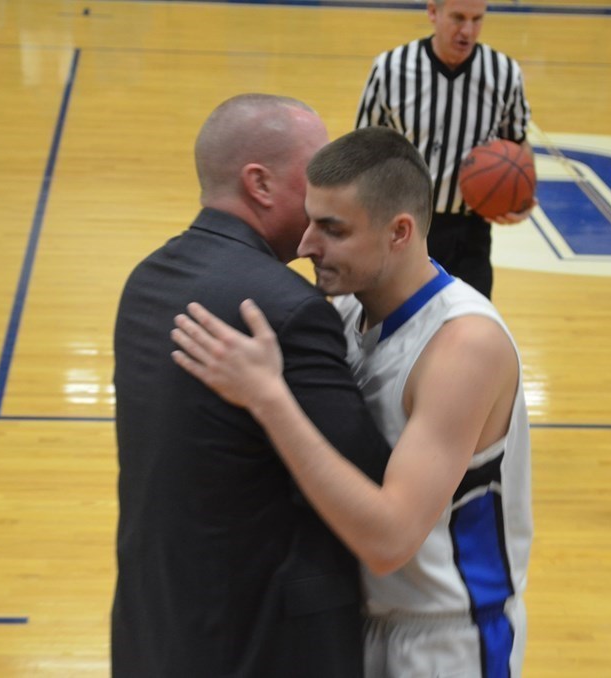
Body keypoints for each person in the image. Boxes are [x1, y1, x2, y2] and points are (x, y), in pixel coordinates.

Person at [172, 127, 533, 678]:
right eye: (311, 219)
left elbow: (390, 540)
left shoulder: (464, 346)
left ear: (399, 233)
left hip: (448, 637)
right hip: (352, 618)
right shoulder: (340, 314)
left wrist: (268, 397)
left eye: (333, 230)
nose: (305, 244)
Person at [111, 94, 391, 677]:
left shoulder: (146, 280)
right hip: (262, 644)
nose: (329, 193)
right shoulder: (284, 309)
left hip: (156, 624)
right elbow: (371, 484)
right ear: (259, 184)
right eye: (317, 174)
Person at [355, 0, 535, 299]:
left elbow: (516, 141)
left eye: (477, 19)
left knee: (467, 332)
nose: (468, 30)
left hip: (470, 233)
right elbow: (362, 151)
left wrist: (523, 198)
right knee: (394, 331)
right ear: (432, 12)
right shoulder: (390, 69)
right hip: (402, 226)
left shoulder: (503, 73)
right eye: (458, 18)